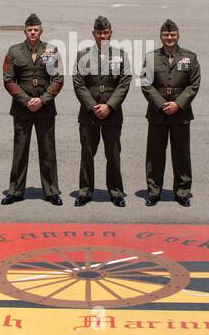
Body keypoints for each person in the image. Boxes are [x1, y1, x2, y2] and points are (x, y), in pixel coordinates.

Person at [2, 13, 63, 205]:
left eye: (36, 30)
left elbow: (58, 79)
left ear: (41, 30)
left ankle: (51, 191)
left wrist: (42, 100)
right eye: (29, 30)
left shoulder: (52, 51)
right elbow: (8, 79)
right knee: (20, 151)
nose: (33, 33)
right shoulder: (14, 51)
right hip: (22, 109)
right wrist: (27, 100)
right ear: (24, 31)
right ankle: (15, 190)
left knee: (48, 152)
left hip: (45, 109)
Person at [74, 15, 132, 207]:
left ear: (111, 34)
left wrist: (109, 106)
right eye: (99, 33)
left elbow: (124, 83)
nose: (102, 36)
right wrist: (93, 106)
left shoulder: (120, 55)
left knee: (113, 154)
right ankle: (85, 191)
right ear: (93, 34)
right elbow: (78, 84)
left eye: (105, 32)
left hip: (112, 113)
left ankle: (115, 191)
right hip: (89, 113)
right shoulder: (83, 55)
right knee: (87, 154)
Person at [141, 19, 200, 206]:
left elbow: (194, 85)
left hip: (180, 113)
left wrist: (177, 104)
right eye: (166, 35)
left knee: (182, 154)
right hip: (158, 113)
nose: (169, 38)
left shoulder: (189, 57)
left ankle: (182, 191)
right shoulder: (151, 57)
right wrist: (161, 103)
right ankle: (153, 191)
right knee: (155, 155)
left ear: (178, 36)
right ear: (160, 37)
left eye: (173, 35)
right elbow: (146, 83)